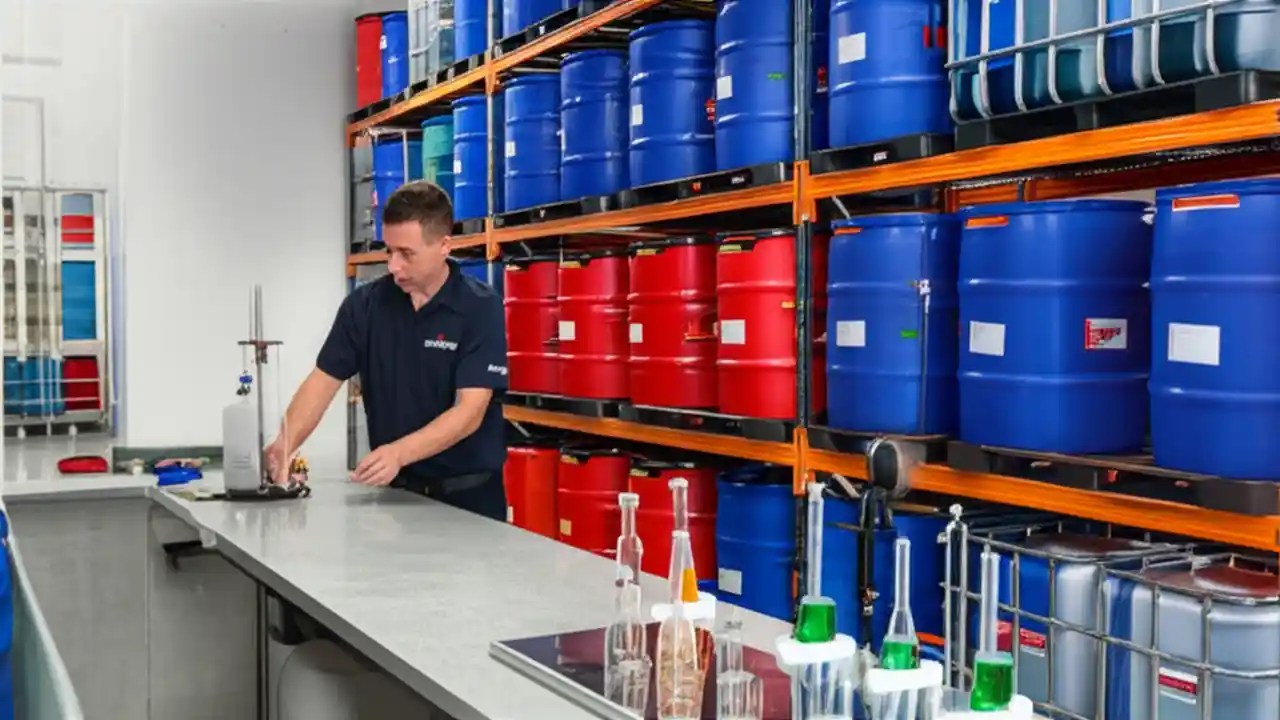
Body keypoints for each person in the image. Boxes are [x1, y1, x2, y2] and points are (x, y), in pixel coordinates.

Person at [265, 180, 509, 520]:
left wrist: (398, 453)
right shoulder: (364, 307)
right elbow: (322, 381)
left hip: (468, 499)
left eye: (406, 254)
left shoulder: (480, 308)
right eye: (388, 251)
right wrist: (285, 443)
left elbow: (469, 412)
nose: (394, 266)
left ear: (443, 245)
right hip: (396, 498)